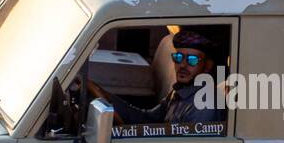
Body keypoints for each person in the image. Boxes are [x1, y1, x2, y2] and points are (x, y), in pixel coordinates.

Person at [88, 29, 226, 125]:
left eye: (192, 60)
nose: (182, 65)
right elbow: (148, 119)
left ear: (207, 66)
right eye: (178, 57)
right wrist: (104, 96)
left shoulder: (204, 106)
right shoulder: (182, 91)